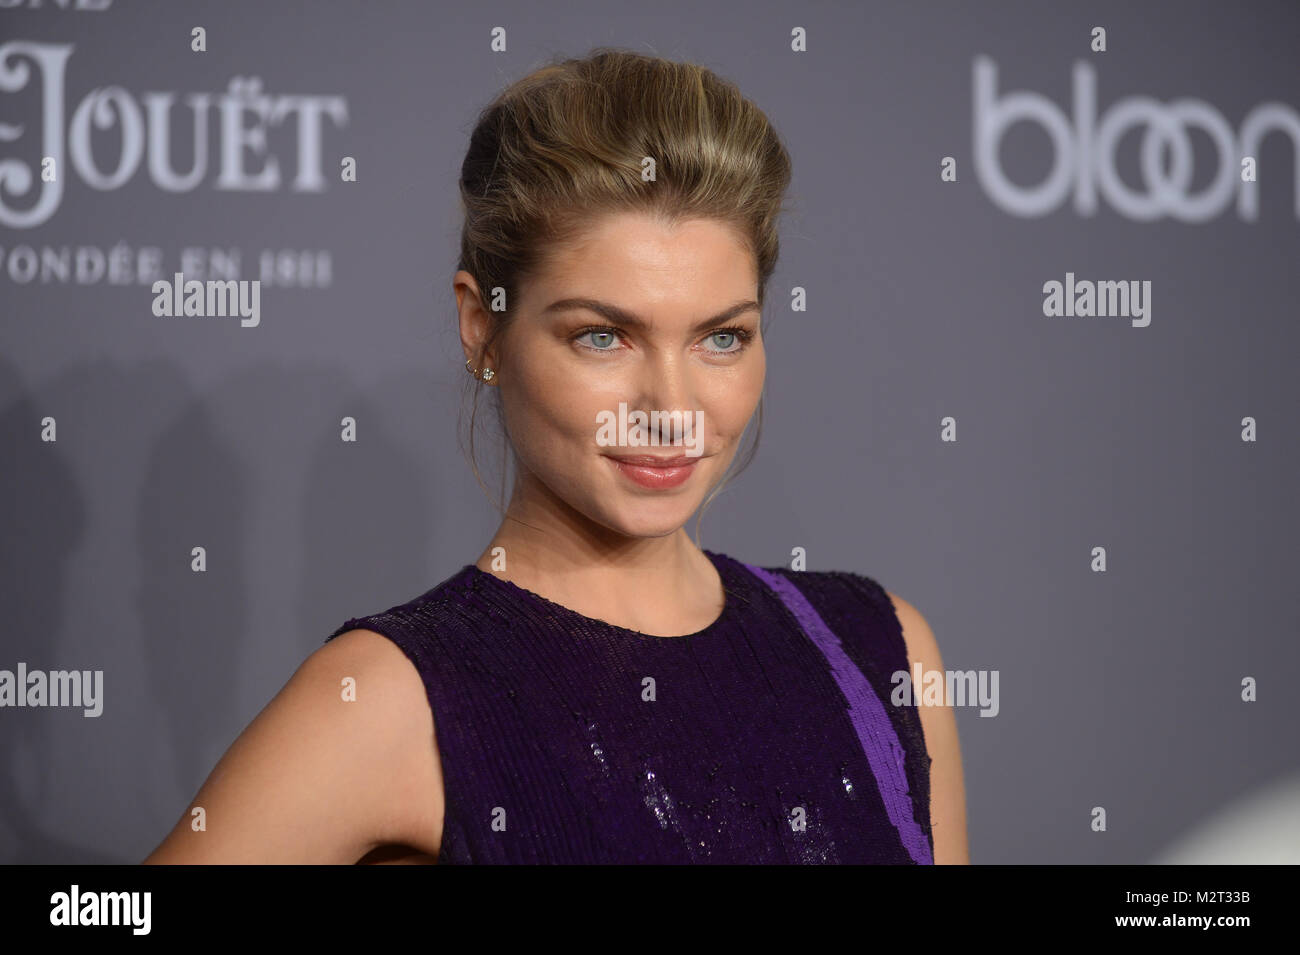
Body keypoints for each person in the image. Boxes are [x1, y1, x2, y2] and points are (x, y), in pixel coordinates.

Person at [144, 48, 969, 865]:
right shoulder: (390, 698)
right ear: (482, 326)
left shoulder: (879, 645)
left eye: (723, 337)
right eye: (602, 336)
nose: (672, 408)